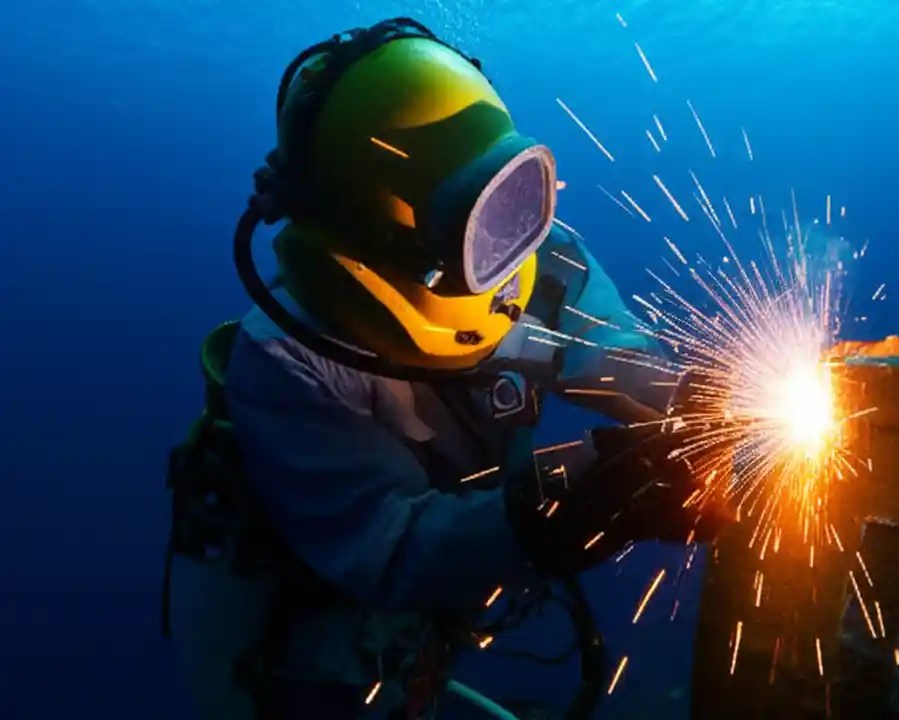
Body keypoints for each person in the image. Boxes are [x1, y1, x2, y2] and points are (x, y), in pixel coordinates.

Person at [162, 17, 718, 720]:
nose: (514, 252)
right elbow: (389, 546)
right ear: (398, 233)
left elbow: (601, 354)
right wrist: (564, 501)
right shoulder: (286, 358)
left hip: (457, 590)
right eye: (482, 220)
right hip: (330, 643)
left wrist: (691, 400)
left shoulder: (531, 251)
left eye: (520, 199)